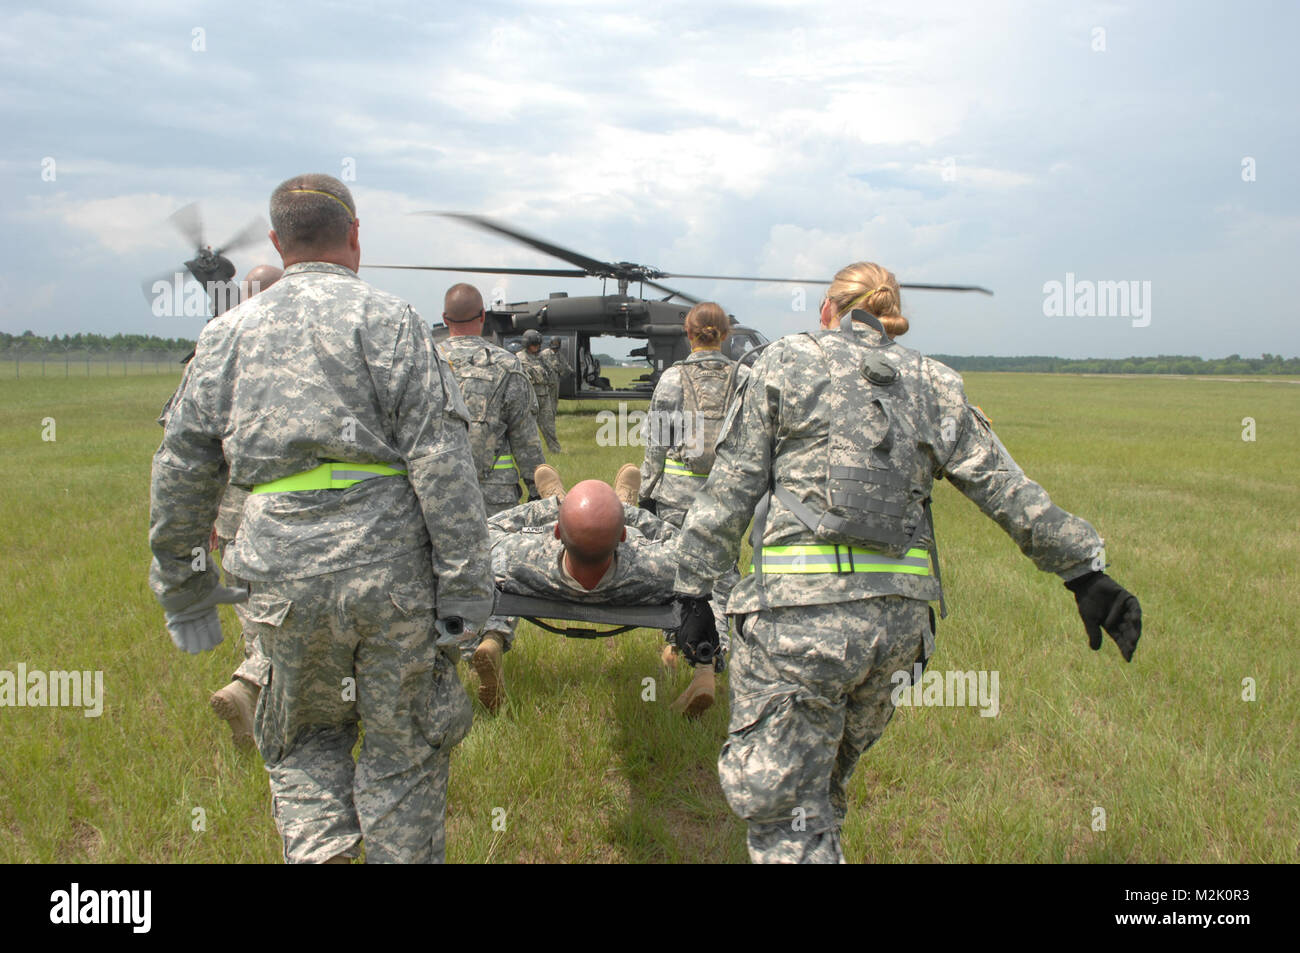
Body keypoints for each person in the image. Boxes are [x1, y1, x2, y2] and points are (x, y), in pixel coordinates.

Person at [672, 261, 1143, 864]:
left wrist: (692, 597)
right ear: (888, 318)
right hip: (897, 637)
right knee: (819, 801)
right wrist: (1085, 574)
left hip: (801, 628)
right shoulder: (934, 382)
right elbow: (1003, 486)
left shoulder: (785, 361)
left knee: (786, 820)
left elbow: (730, 490)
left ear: (827, 311)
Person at [148, 173, 493, 864]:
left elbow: (182, 472)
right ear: (356, 236)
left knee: (303, 744)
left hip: (280, 580)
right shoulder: (391, 321)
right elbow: (442, 462)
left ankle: (321, 849)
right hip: (391, 577)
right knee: (405, 752)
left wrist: (185, 592)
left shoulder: (225, 335)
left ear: (279, 242)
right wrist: (464, 593)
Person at [436, 282, 546, 712]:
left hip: (430, 497)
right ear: (483, 319)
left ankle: (448, 653)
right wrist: (541, 496)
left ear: (445, 321)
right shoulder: (507, 366)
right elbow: (526, 442)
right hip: (493, 495)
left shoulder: (422, 361)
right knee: (496, 569)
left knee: (439, 575)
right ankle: (493, 636)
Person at [639, 302, 748, 716]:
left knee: (680, 576)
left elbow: (656, 444)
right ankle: (711, 660)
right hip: (728, 494)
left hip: (679, 495)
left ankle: (687, 652)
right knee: (722, 579)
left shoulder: (672, 379)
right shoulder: (745, 380)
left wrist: (647, 492)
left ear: (689, 334)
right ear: (725, 334)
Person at [207, 263, 283, 748]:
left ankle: (251, 694)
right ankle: (251, 688)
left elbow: (186, 446)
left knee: (256, 616)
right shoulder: (308, 348)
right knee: (292, 621)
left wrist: (205, 517)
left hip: (232, 516)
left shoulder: (213, 347)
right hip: (294, 514)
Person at [519, 328, 561, 453]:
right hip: (530, 398)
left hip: (544, 396)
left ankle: (556, 451)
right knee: (528, 429)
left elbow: (549, 373)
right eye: (534, 344)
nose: (537, 347)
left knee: (549, 427)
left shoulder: (541, 357)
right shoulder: (519, 358)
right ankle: (529, 452)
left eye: (539, 344)